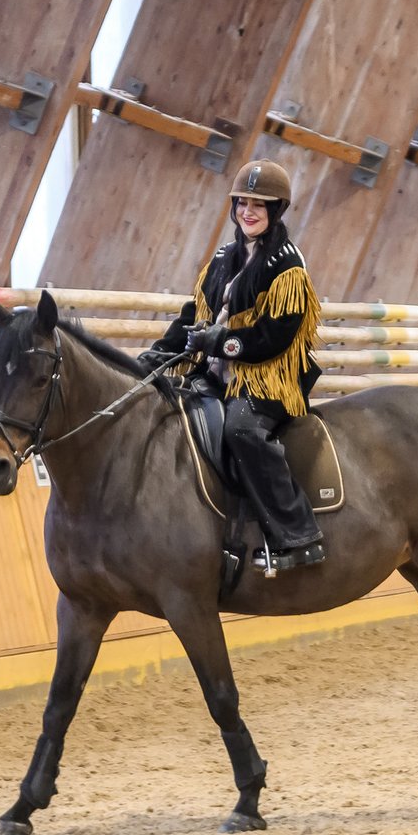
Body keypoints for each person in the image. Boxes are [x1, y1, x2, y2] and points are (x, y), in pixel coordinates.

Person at [138, 158, 325, 571]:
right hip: (218, 376)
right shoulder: (223, 258)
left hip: (269, 380)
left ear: (276, 211)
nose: (248, 211)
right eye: (242, 202)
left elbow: (273, 339)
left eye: (260, 204)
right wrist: (160, 352)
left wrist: (222, 342)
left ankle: (297, 533)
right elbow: (194, 314)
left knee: (243, 429)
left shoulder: (288, 266)